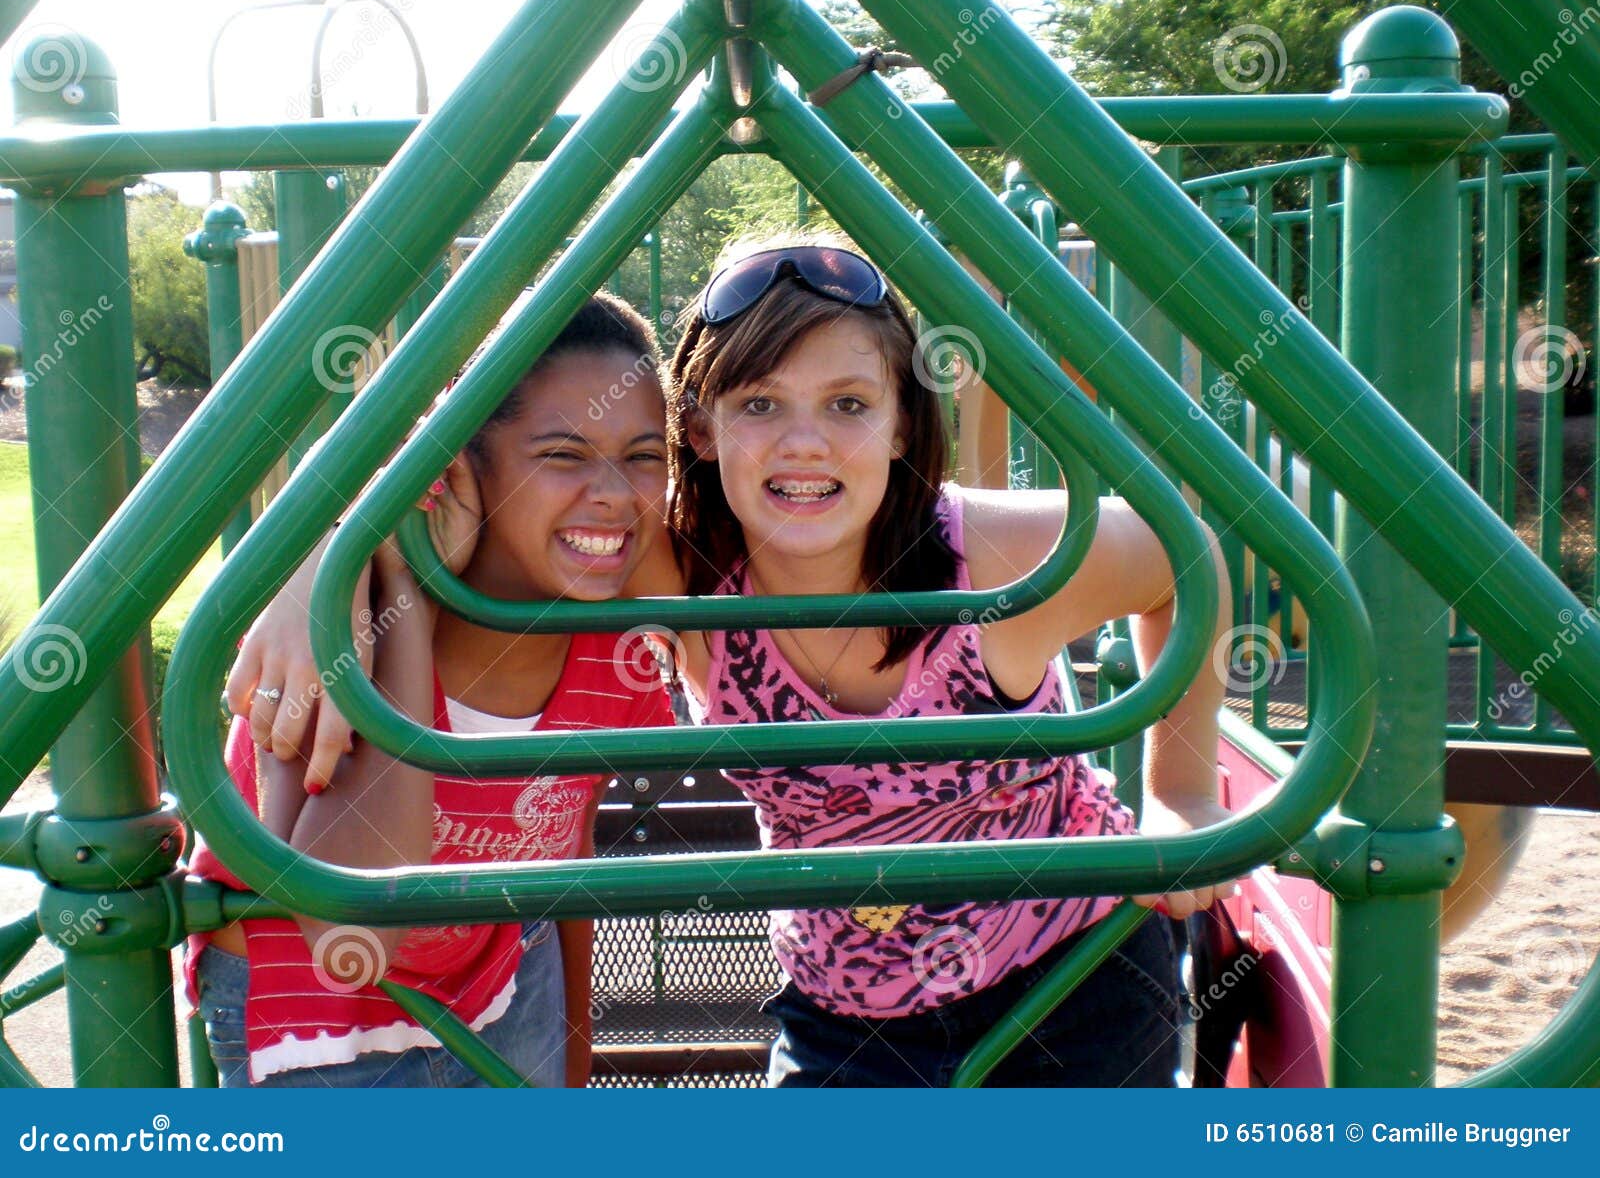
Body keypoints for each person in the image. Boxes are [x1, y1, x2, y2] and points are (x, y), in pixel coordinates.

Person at [233, 236, 1237, 1089]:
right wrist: (314, 566)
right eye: (759, 404)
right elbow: (458, 461)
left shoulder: (994, 564)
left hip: (1070, 985)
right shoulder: (685, 568)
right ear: (703, 431)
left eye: (848, 404)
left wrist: (1180, 790)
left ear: (901, 424)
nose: (805, 445)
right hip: (844, 1017)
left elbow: (1181, 558)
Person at [185, 294, 674, 1087]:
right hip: (315, 1013)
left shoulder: (616, 642)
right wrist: (398, 589)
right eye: (562, 454)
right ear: (459, 465)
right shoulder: (332, 630)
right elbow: (350, 932)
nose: (615, 492)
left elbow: (568, 850)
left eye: (644, 456)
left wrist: (574, 1059)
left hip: (500, 988)